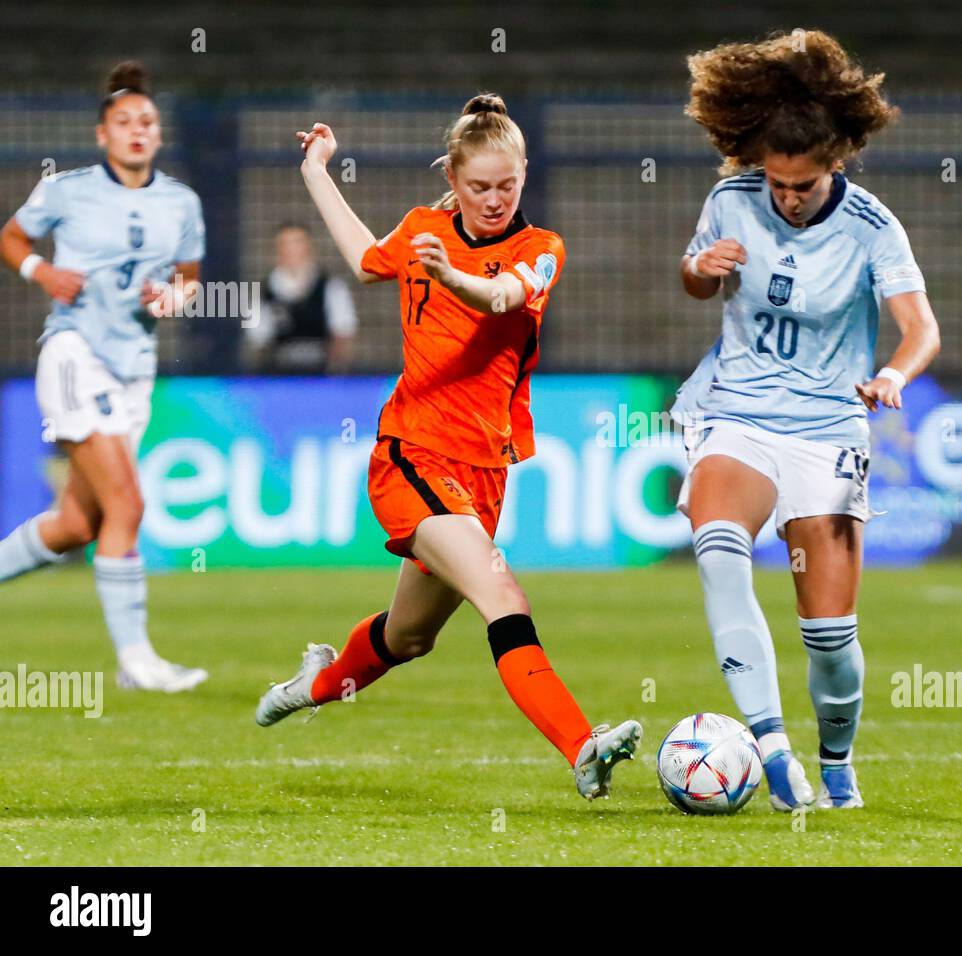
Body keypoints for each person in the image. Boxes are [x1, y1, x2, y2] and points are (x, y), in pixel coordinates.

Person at [256, 94, 641, 801]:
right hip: (412, 454)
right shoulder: (424, 229)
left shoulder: (540, 249)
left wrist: (449, 276)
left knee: (408, 639)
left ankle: (311, 683)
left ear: (523, 175)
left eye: (507, 185)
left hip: (485, 470)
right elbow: (369, 259)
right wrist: (316, 170)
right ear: (452, 178)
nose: (494, 200)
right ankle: (582, 747)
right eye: (478, 186)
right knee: (502, 592)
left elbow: (502, 299)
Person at [672, 31, 941, 810]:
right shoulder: (731, 199)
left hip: (827, 431)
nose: (786, 196)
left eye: (802, 182)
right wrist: (701, 269)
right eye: (776, 181)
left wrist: (893, 372)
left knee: (829, 636)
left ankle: (836, 759)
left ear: (835, 161)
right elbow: (694, 280)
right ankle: (771, 747)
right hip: (739, 414)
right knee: (719, 553)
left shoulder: (871, 227)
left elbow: (920, 327)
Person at [0, 60, 208, 692]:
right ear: (102, 135)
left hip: (133, 372)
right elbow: (11, 236)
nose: (137, 131)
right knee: (128, 503)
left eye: (147, 121)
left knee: (75, 525)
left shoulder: (181, 202)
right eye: (124, 122)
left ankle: (135, 660)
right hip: (73, 354)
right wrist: (42, 271)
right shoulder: (68, 190)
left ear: (159, 134)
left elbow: (191, 280)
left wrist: (174, 300)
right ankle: (136, 662)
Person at [244, 222, 357, 374]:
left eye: (297, 243)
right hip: (279, 377)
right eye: (285, 244)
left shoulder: (332, 288)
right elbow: (257, 340)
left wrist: (334, 370)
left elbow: (343, 332)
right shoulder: (263, 294)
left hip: (322, 375)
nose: (292, 250)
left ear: (309, 248)